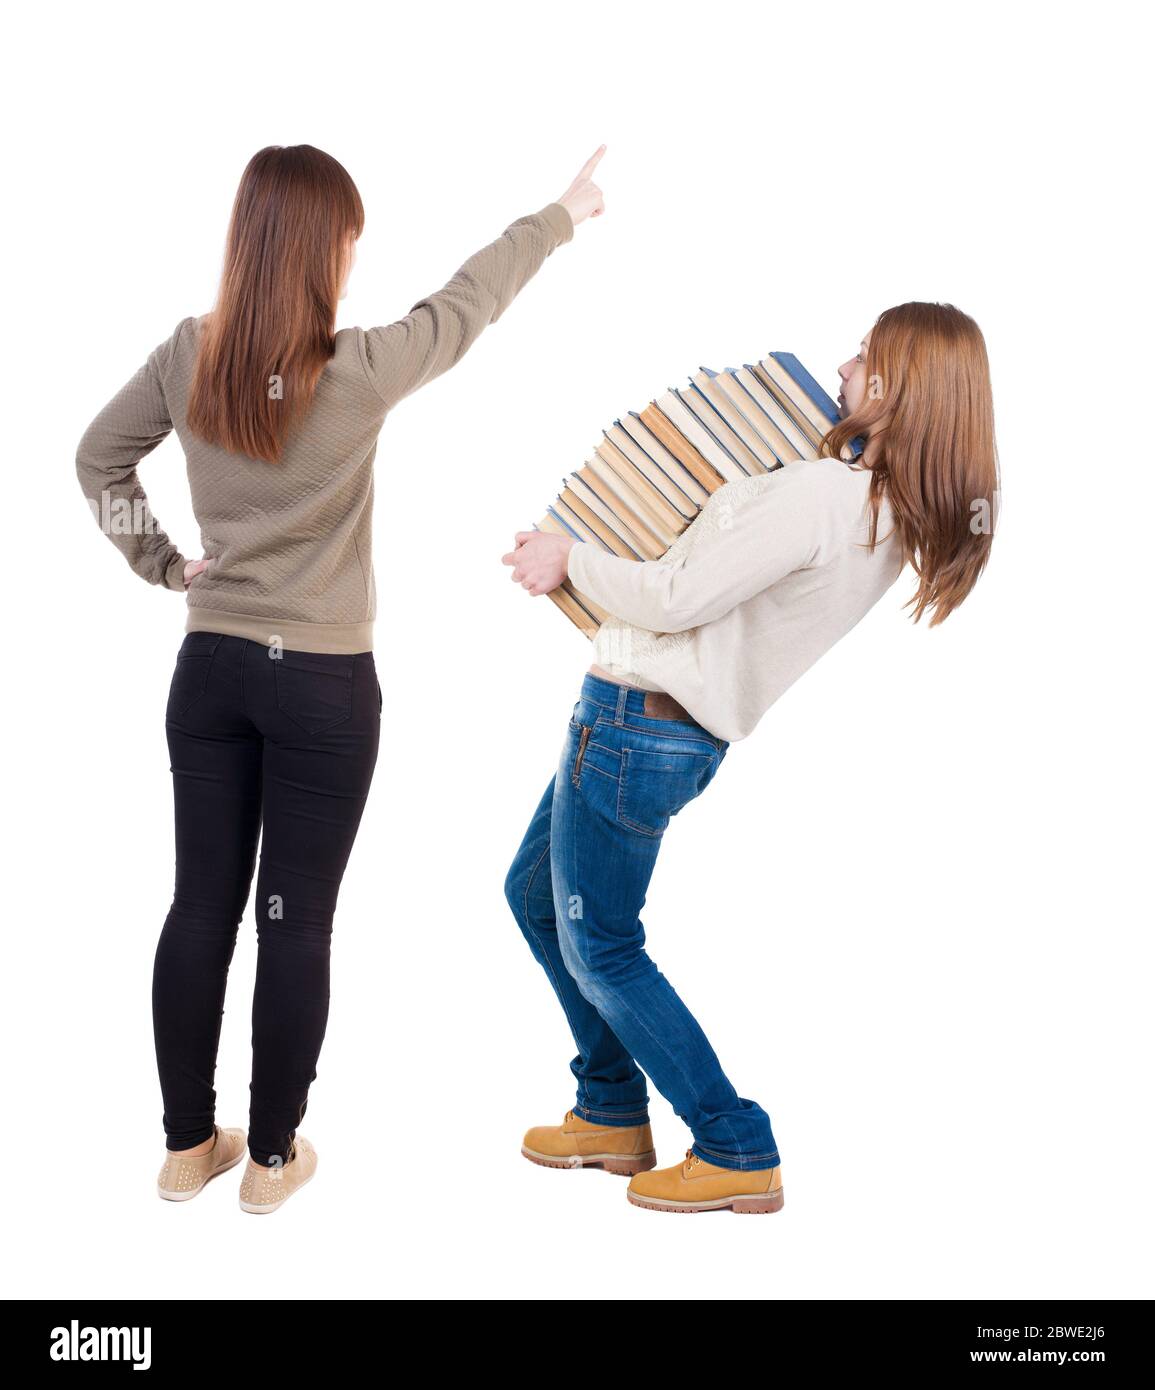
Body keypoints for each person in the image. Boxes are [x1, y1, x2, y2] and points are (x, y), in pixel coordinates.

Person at [76, 142, 606, 1213]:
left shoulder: (191, 353)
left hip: (211, 670)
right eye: (351, 240)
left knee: (199, 907)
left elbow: (97, 458)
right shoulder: (360, 368)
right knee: (294, 918)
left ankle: (188, 1148)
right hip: (320, 684)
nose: (358, 258)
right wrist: (562, 212)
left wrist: (167, 565)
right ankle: (270, 1162)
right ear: (326, 251)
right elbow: (470, 301)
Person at [502, 304, 1000, 1213]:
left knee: (603, 945)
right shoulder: (882, 514)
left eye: (861, 355)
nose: (843, 366)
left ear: (891, 383)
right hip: (664, 732)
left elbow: (678, 595)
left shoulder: (824, 497)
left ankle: (734, 1143)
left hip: (631, 727)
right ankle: (609, 1108)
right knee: (536, 898)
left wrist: (567, 556)